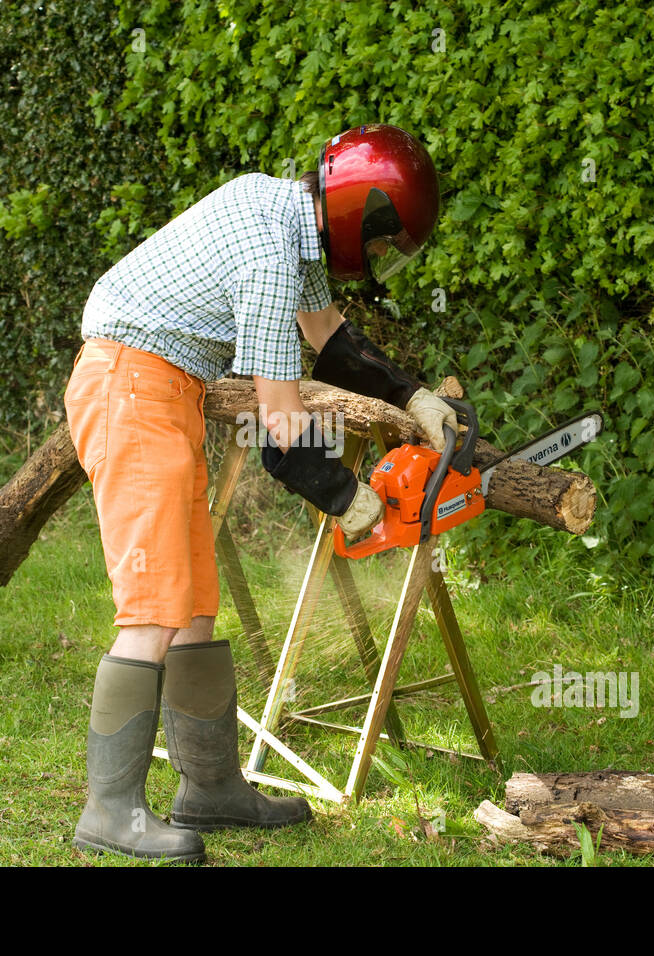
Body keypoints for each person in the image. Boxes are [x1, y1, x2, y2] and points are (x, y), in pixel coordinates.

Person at [64, 124, 451, 863]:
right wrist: (348, 497)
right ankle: (108, 810)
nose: (375, 259)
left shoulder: (283, 222)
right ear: (357, 214)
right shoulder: (273, 253)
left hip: (164, 392)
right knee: (152, 611)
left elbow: (329, 337)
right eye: (380, 243)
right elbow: (281, 426)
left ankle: (208, 789)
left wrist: (414, 394)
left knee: (193, 604)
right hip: (130, 388)